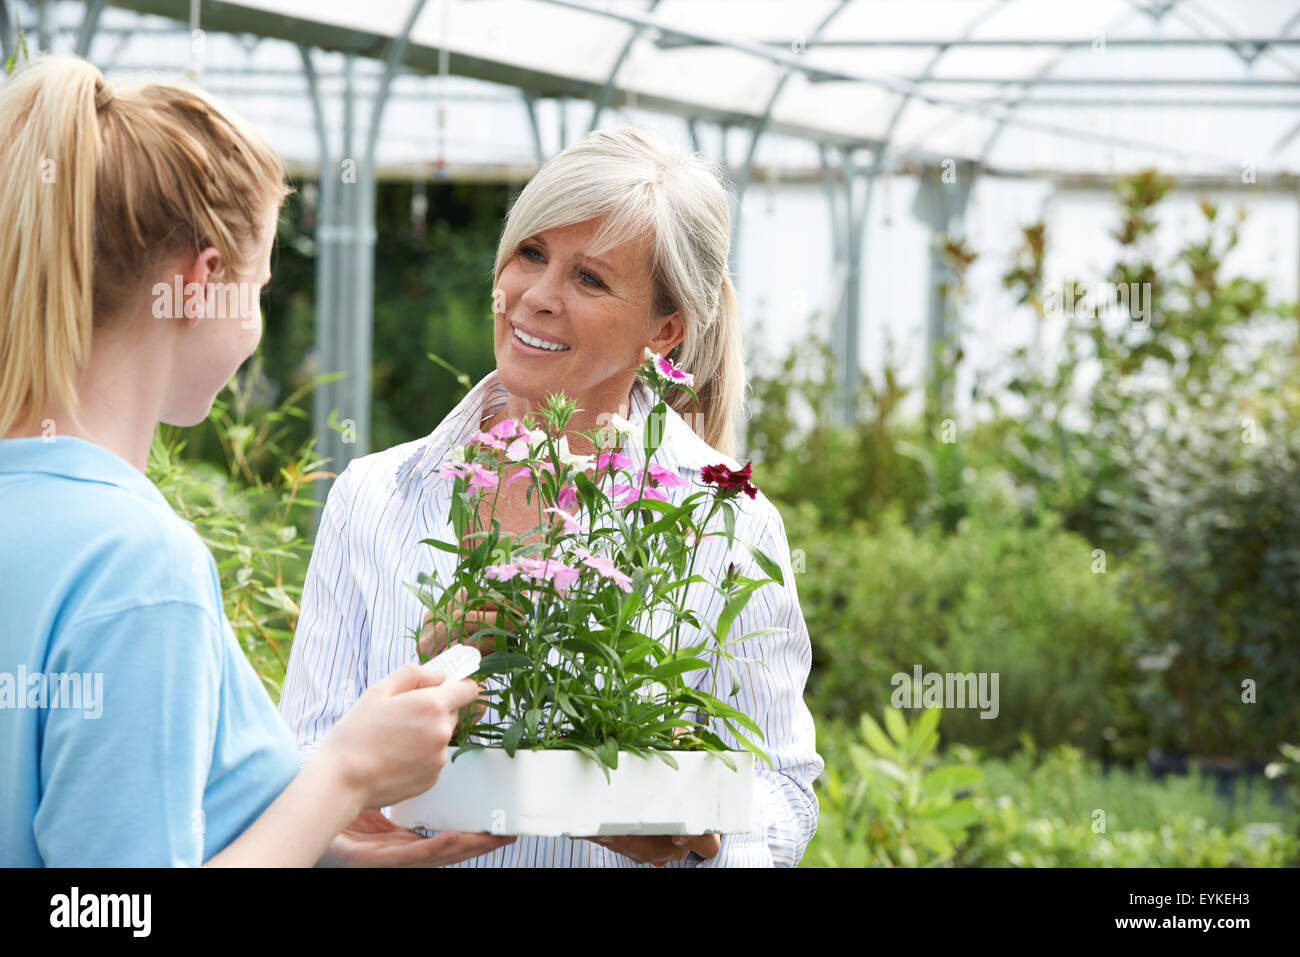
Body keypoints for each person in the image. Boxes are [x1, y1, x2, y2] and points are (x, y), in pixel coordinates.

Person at [0, 54, 514, 867]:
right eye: (262, 287)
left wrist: (326, 841)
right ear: (203, 282)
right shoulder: (137, 567)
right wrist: (345, 775)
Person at [279, 126, 823, 867]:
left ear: (663, 333)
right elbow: (304, 753)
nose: (534, 297)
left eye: (589, 279)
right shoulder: (375, 496)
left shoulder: (726, 523)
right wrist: (349, 817)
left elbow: (784, 789)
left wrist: (702, 828)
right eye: (531, 253)